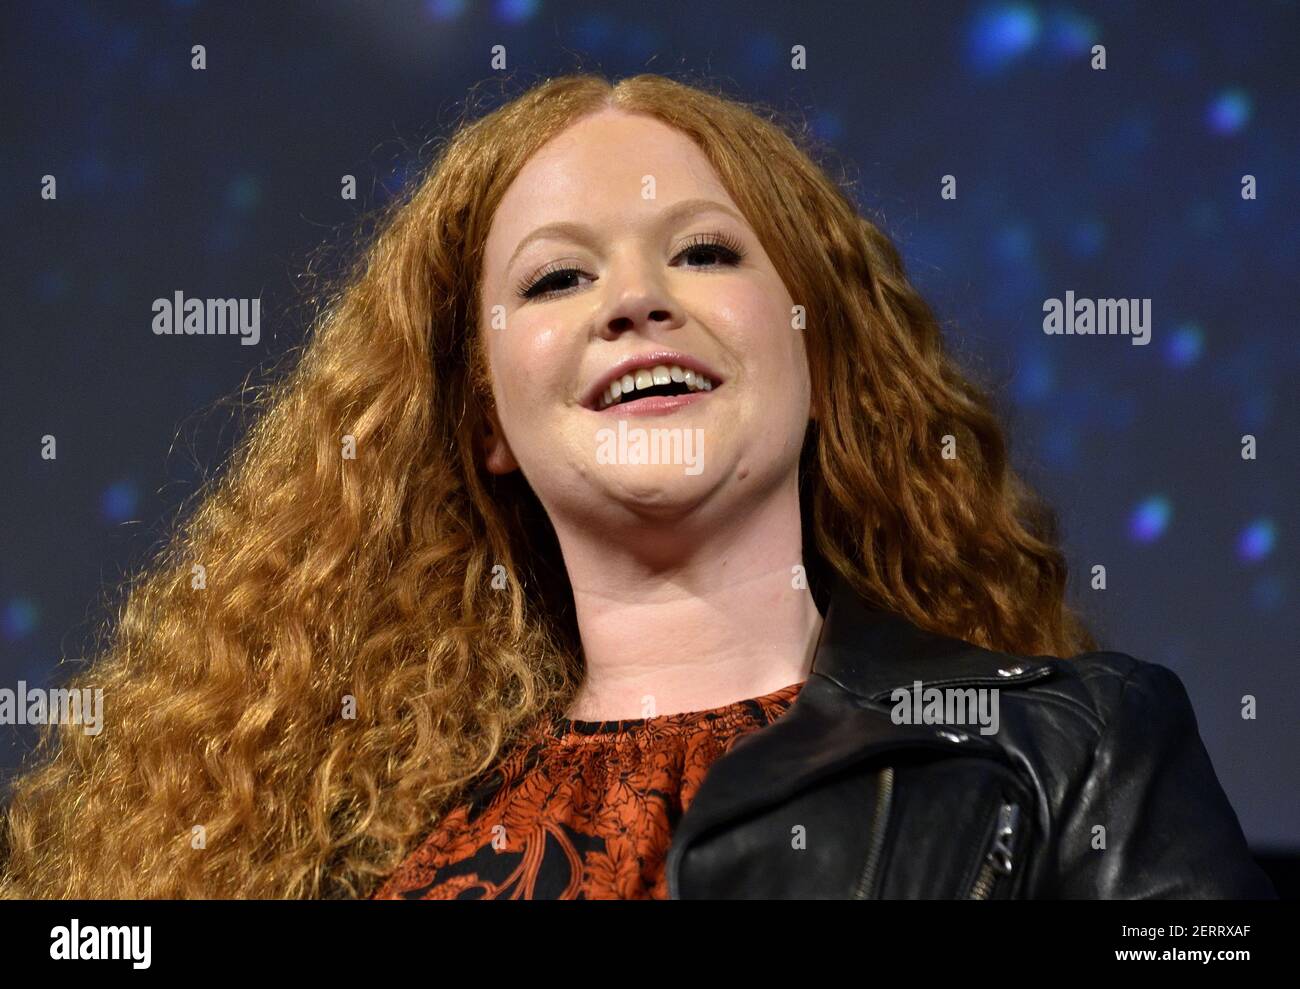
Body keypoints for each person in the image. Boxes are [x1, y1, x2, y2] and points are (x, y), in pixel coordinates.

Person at [0, 73, 1274, 900]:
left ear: (817, 356)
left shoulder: (1072, 750)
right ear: (484, 418)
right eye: (556, 279)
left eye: (705, 251)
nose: (635, 299)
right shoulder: (322, 841)